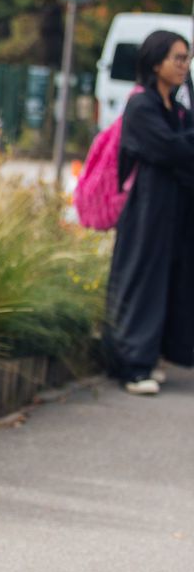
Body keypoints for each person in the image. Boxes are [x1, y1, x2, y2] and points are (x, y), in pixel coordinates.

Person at [103, 30, 194, 395]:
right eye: (177, 58)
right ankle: (132, 364)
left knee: (170, 278)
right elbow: (170, 150)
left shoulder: (177, 107)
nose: (184, 65)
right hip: (146, 209)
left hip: (174, 208)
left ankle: (151, 355)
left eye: (187, 58)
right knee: (141, 279)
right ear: (156, 63)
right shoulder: (141, 105)